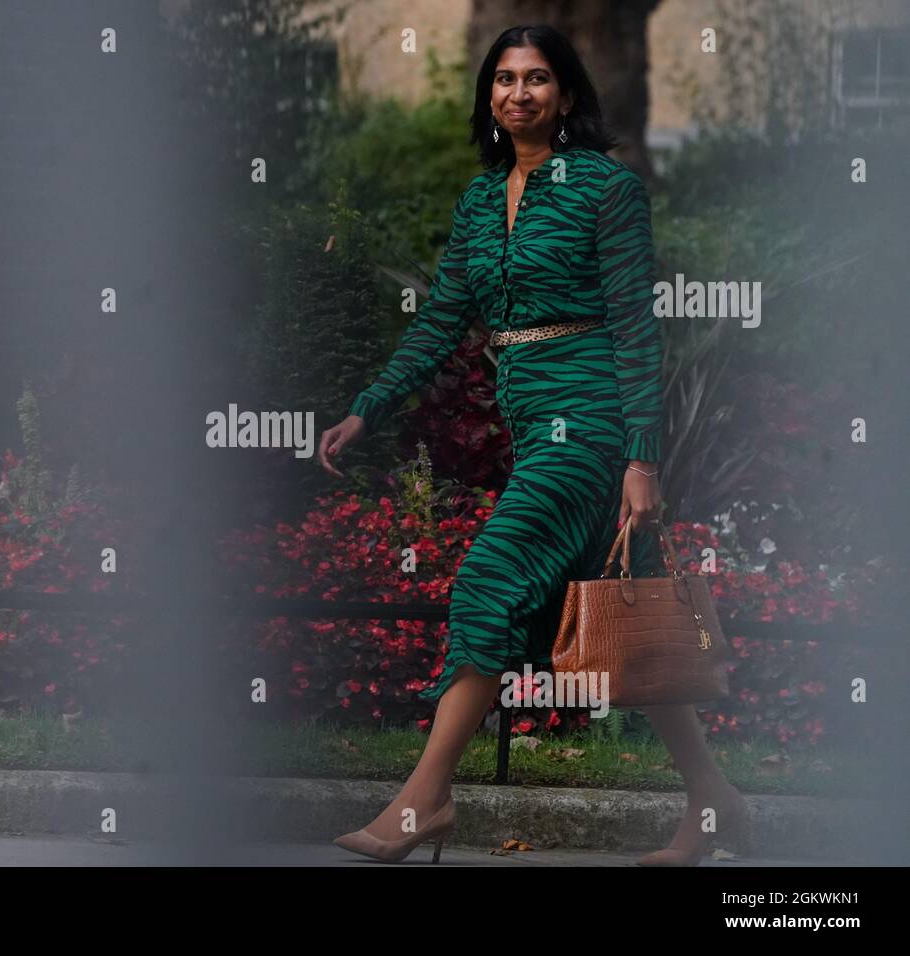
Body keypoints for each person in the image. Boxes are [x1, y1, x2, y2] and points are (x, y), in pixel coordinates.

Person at [316, 24, 749, 866]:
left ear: (568, 96)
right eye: (506, 79)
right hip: (534, 427)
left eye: (539, 78)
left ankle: (425, 801)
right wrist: (367, 408)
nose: (520, 92)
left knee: (487, 579)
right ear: (490, 97)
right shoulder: (479, 202)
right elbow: (443, 319)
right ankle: (716, 802)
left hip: (586, 428)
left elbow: (635, 326)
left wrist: (641, 459)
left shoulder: (605, 190)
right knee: (623, 622)